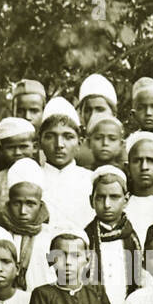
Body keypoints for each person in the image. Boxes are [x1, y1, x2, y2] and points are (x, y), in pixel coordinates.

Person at [84, 164, 144, 304]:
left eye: (114, 197)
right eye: (101, 197)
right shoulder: (84, 239)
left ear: (126, 199)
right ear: (91, 201)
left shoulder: (136, 239)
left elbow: (146, 282)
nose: (107, 205)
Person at [0, 157, 58, 292]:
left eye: (30, 204)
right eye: (16, 203)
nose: (23, 211)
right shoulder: (1, 235)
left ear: (40, 205)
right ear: (9, 203)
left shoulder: (51, 237)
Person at [37, 97, 94, 231]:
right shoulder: (33, 178)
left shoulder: (91, 180)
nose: (59, 145)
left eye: (68, 137)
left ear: (79, 142)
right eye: (50, 136)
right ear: (39, 141)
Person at [123, 130, 153, 238]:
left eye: (151, 160)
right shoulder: (121, 207)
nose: (144, 167)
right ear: (128, 169)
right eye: (137, 161)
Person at [75, 74, 118, 168]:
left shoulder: (125, 149)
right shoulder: (73, 151)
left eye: (100, 109)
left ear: (114, 114)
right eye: (87, 110)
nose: (93, 115)